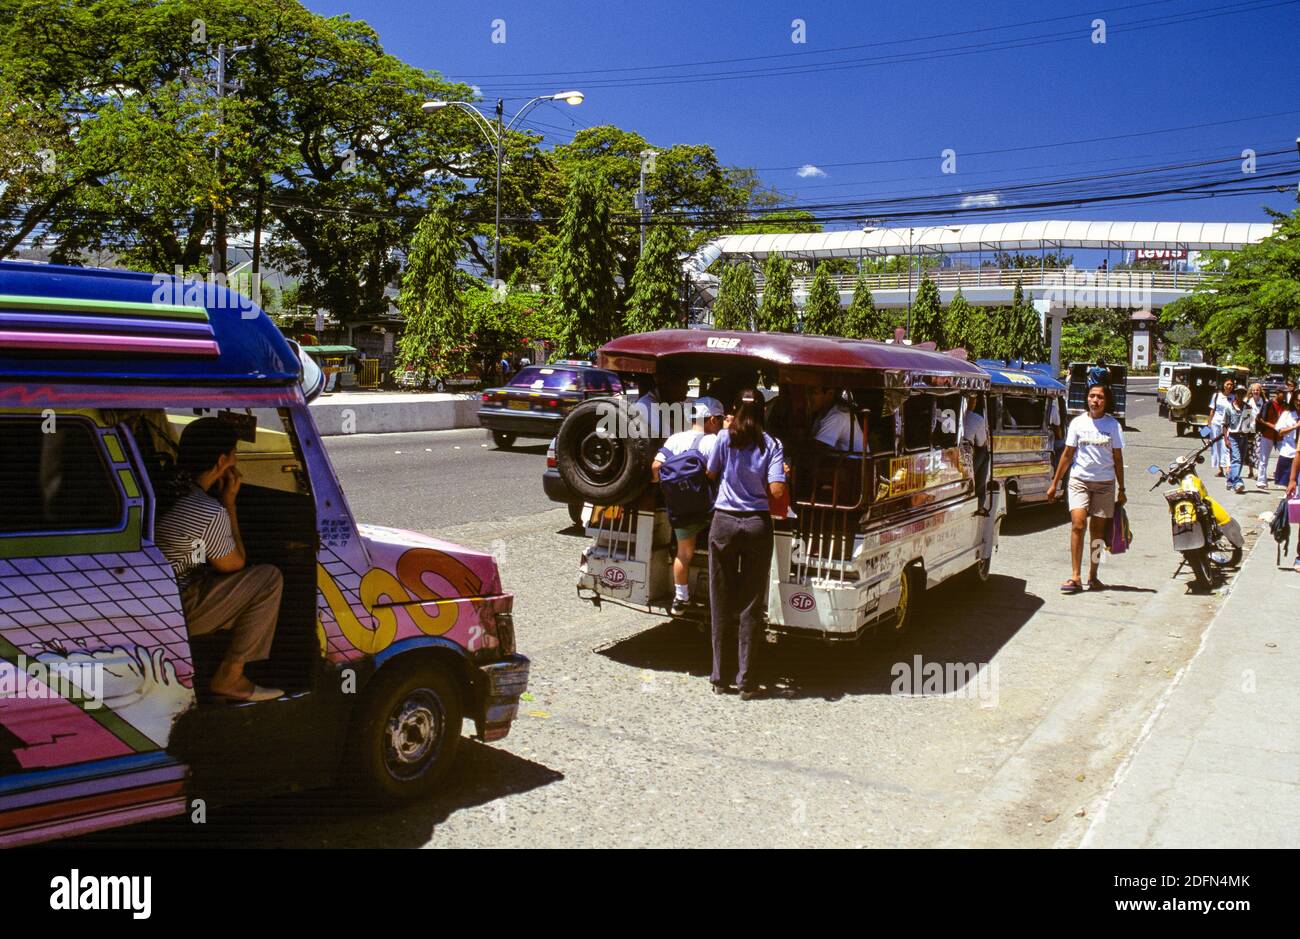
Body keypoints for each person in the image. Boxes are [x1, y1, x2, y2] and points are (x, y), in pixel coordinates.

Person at [155, 419, 284, 702]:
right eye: (234, 452)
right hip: (177, 605)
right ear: (223, 459)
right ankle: (231, 675)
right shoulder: (207, 511)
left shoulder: (165, 484)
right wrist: (229, 503)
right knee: (268, 579)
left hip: (156, 595)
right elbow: (234, 564)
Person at [705, 389, 787, 700]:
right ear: (764, 411)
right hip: (756, 524)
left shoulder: (725, 438)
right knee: (751, 604)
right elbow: (777, 492)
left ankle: (718, 678)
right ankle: (746, 681)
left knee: (720, 599)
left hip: (724, 522)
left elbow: (711, 472)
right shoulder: (772, 445)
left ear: (736, 409)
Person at [1046, 383, 1126, 594]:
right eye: (1091, 396)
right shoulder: (1077, 423)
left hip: (1105, 484)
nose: (1095, 400)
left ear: (1106, 401)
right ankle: (1075, 576)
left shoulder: (1113, 426)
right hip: (1079, 481)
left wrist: (1122, 489)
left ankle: (1093, 575)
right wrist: (1055, 483)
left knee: (1098, 533)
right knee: (1078, 525)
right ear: (1086, 399)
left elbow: (1118, 459)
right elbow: (1067, 454)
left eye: (1100, 397)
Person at [651, 397, 726, 615]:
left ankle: (681, 599)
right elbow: (718, 473)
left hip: (681, 507)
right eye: (720, 419)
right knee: (718, 553)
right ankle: (718, 600)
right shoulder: (714, 442)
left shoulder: (675, 439)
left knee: (684, 553)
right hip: (710, 509)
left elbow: (656, 468)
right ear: (712, 419)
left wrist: (670, 488)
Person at [806, 385, 867, 453]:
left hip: (855, 462)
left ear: (830, 394)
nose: (809, 398)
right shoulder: (821, 416)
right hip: (843, 462)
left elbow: (816, 451)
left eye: (814, 393)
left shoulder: (838, 416)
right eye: (808, 393)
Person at [633, 369, 690, 438]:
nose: (688, 388)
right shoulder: (647, 405)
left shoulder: (670, 403)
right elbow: (670, 438)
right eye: (683, 384)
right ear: (668, 385)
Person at [962, 393, 991, 516]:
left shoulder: (944, 414)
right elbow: (982, 443)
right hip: (964, 456)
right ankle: (980, 503)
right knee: (985, 453)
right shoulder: (976, 419)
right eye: (973, 400)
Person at [1256, 386, 1289, 490]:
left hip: (1281, 436)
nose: (1284, 395)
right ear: (1277, 393)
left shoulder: (1286, 405)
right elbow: (1260, 418)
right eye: (1283, 393)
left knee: (1286, 458)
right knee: (1264, 459)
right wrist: (1272, 426)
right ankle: (1261, 481)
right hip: (1267, 435)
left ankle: (1284, 480)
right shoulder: (1268, 404)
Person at [1270, 390, 1299, 489]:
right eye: (1297, 400)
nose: (1299, 403)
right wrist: (1294, 427)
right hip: (1288, 452)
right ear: (1293, 401)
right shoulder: (1287, 414)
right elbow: (1280, 432)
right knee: (1288, 485)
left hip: (1299, 454)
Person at [1207, 377, 1235, 477]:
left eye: (1231, 385)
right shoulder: (1216, 395)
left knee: (1226, 444)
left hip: (1227, 424)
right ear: (1223, 385)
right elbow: (1212, 411)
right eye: (1228, 384)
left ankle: (1228, 467)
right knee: (1216, 445)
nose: (1229, 386)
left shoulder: (1233, 397)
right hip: (1216, 423)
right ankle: (1220, 469)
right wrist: (1209, 423)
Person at [1223, 387, 1247, 494]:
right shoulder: (1229, 408)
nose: (1241, 395)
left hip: (1244, 436)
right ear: (1235, 394)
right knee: (1236, 459)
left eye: (1243, 393)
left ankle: (1230, 479)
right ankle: (1237, 482)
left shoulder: (1247, 407)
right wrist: (1226, 439)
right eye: (1238, 393)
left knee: (1240, 460)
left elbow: (1248, 425)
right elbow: (1225, 424)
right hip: (1233, 436)